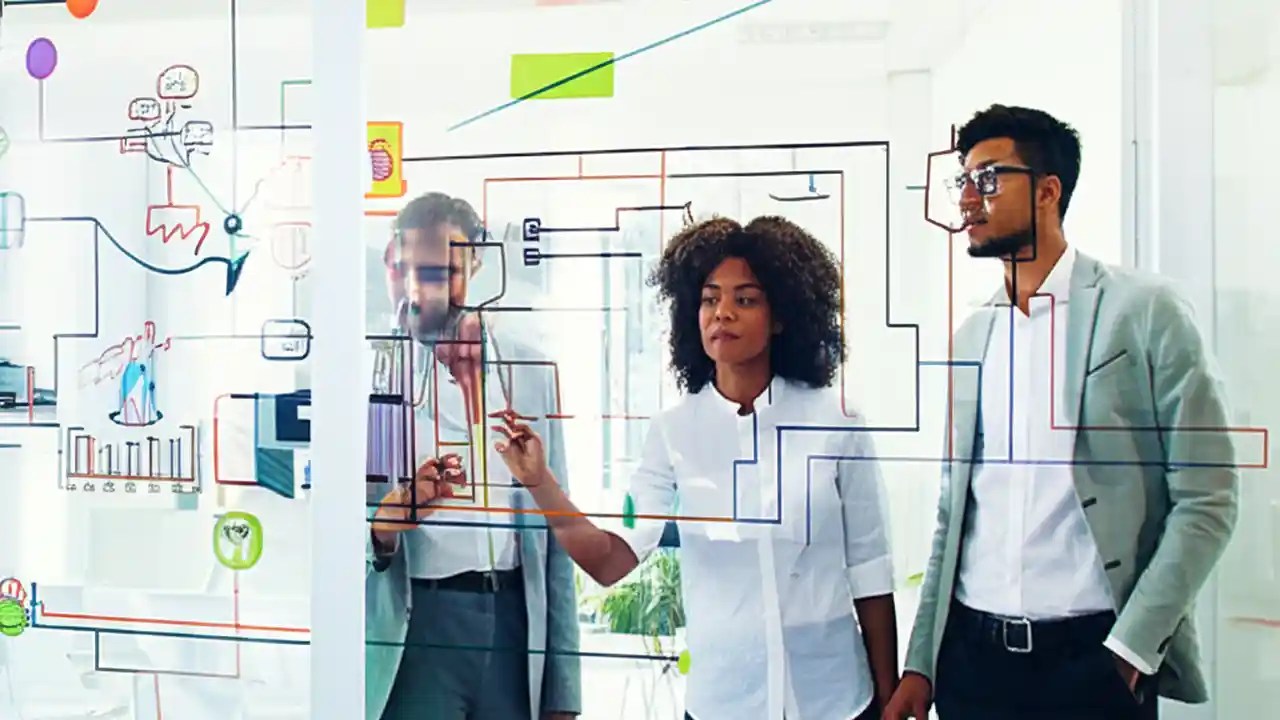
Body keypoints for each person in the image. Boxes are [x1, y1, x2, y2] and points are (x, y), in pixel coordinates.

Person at [883, 105, 1240, 720]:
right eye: (962, 181)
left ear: (1048, 190)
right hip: (974, 664)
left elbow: (1208, 496)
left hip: (1093, 661)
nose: (968, 198)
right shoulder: (971, 338)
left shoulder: (1145, 312)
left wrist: (1130, 650)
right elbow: (954, 513)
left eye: (988, 178)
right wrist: (921, 662)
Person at [489, 215, 900, 720]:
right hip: (723, 703)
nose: (722, 313)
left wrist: (889, 696)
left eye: (744, 299)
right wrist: (539, 481)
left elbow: (870, 571)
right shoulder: (672, 432)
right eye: (710, 299)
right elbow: (611, 560)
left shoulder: (837, 420)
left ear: (781, 316)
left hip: (835, 700)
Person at [364, 191, 581, 720]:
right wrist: (386, 524)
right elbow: (345, 532)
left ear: (477, 263)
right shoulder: (373, 380)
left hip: (512, 621)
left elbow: (556, 535)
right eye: (410, 270)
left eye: (439, 271)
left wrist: (563, 691)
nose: (421, 289)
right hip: (417, 623)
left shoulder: (528, 374)